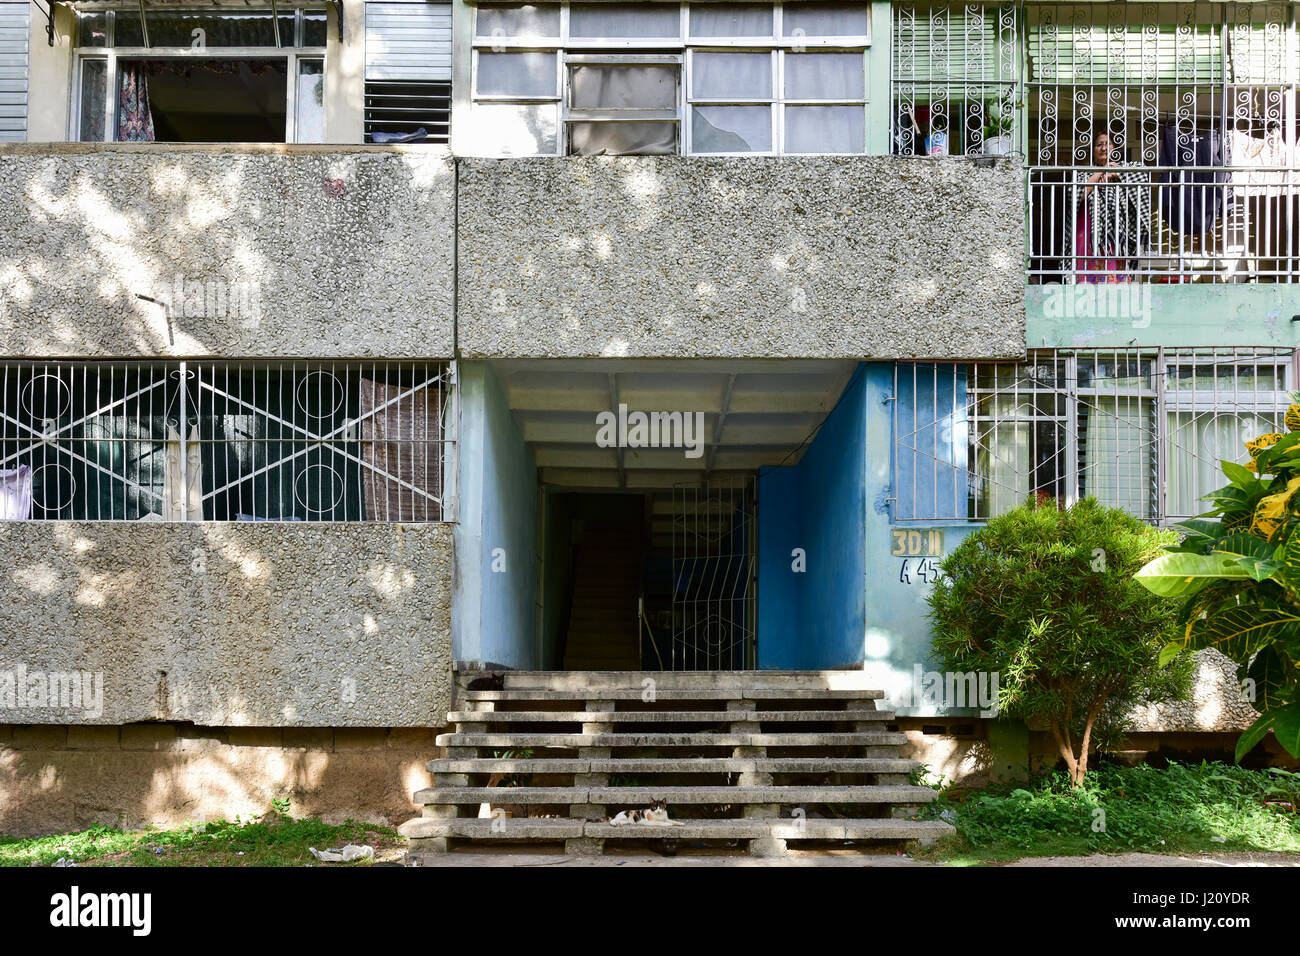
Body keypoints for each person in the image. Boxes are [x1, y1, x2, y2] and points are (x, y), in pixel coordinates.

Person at [1066, 131, 1151, 283]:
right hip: (1088, 228)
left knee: (1114, 264)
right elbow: (1078, 194)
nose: (1104, 148)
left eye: (1108, 144)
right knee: (1087, 263)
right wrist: (1102, 171)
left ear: (1115, 148)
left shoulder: (1126, 168)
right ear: (1093, 151)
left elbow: (1143, 179)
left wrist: (1118, 173)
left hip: (1117, 232)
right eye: (1099, 145)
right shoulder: (1084, 172)